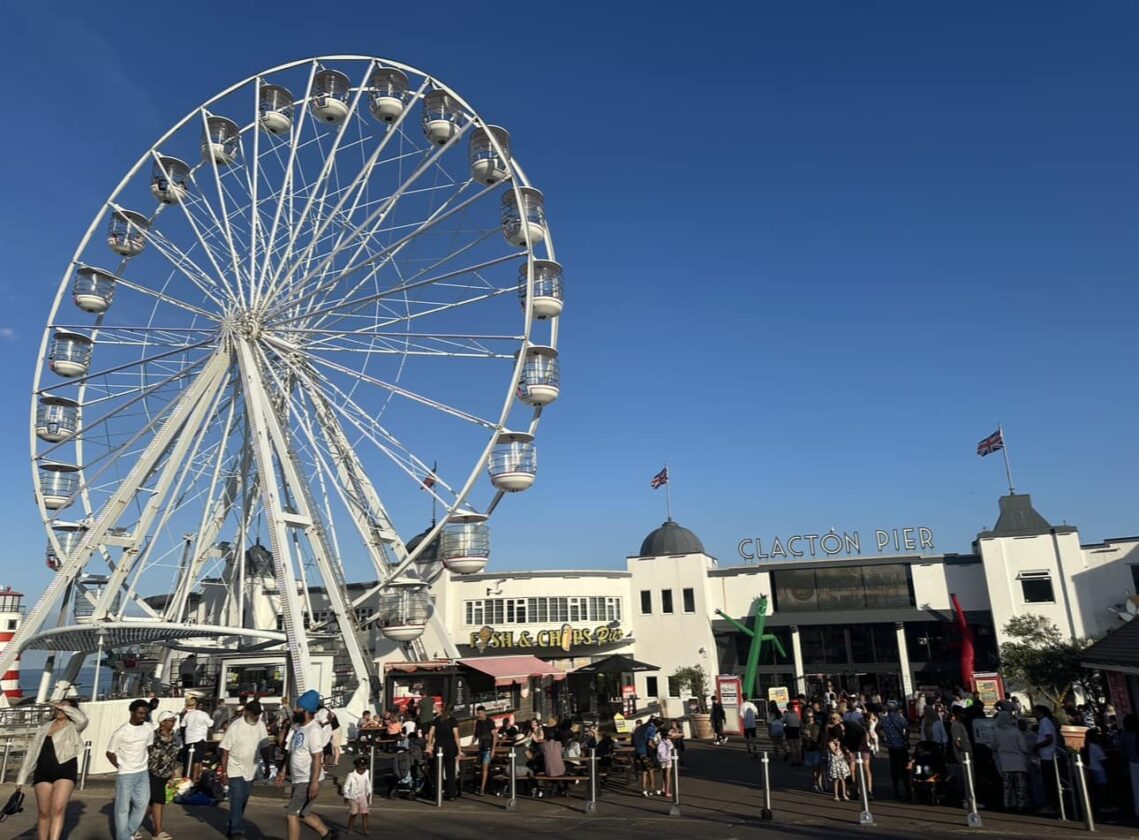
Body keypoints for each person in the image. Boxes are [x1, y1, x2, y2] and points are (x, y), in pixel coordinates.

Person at [15, 699, 88, 840]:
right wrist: (21, 778)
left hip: (65, 771)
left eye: (64, 708)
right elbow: (32, 752)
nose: (59, 710)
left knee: (58, 809)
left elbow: (82, 718)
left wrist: (63, 706)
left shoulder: (73, 726)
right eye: (58, 708)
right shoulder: (45, 727)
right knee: (43, 812)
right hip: (43, 772)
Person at [275, 690, 337, 840]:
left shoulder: (314, 730)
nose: (295, 710)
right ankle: (326, 834)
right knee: (303, 813)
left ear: (306, 710)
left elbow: (317, 756)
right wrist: (283, 771)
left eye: (298, 707)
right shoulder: (297, 728)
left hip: (307, 780)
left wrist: (314, 783)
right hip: (298, 778)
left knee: (292, 814)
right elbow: (291, 751)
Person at [219, 699, 269, 839]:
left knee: (243, 799)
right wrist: (224, 772)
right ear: (247, 712)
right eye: (254, 715)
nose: (256, 718)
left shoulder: (261, 726)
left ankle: (233, 822)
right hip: (235, 769)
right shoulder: (235, 726)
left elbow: (265, 747)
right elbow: (225, 750)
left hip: (251, 770)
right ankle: (237, 830)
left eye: (258, 715)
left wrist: (266, 765)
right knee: (236, 799)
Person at [107, 699, 155, 840]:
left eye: (145, 713)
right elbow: (110, 752)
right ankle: (123, 838)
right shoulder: (121, 732)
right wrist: (120, 765)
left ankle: (126, 834)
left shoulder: (148, 727)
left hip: (143, 772)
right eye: (140, 713)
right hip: (126, 774)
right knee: (122, 809)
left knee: (142, 804)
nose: (142, 716)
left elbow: (148, 746)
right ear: (132, 712)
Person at [145, 711, 180, 840]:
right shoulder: (153, 736)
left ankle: (132, 826)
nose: (173, 722)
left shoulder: (174, 737)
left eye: (174, 720)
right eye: (171, 720)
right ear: (163, 722)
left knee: (150, 803)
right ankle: (158, 831)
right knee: (159, 801)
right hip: (153, 772)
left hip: (165, 773)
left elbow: (174, 756)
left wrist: (173, 771)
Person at [992, 710, 1029, 812]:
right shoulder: (1015, 731)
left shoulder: (996, 731)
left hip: (1004, 761)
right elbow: (1023, 747)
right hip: (1018, 761)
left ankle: (1008, 803)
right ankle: (1021, 804)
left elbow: (993, 746)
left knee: (1007, 785)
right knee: (1020, 784)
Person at [425, 704, 460, 800]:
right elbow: (456, 735)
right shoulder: (452, 721)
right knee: (450, 771)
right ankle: (451, 794)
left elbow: (431, 732)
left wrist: (429, 744)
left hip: (439, 747)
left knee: (438, 770)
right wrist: (459, 750)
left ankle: (438, 792)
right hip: (450, 747)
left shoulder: (437, 720)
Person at [878, 700, 910, 800]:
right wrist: (905, 738)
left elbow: (877, 728)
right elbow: (907, 728)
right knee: (905, 769)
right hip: (901, 746)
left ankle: (896, 791)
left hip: (891, 747)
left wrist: (883, 738)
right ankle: (907, 791)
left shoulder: (884, 719)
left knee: (894, 769)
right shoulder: (900, 718)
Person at [1032, 704, 1059, 814]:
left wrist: (1038, 745)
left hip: (1048, 756)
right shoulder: (1045, 723)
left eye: (1036, 713)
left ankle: (1052, 806)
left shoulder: (1045, 722)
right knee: (1048, 781)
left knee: (1049, 782)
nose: (1035, 715)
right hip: (1046, 755)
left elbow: (1049, 738)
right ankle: (1052, 805)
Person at [179, 696, 212, 782]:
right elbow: (211, 724)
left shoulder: (187, 715)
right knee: (198, 760)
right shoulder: (203, 714)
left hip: (189, 740)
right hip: (200, 739)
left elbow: (182, 727)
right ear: (198, 705)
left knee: (190, 759)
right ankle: (195, 779)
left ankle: (191, 778)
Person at [343, 756, 371, 833]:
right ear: (356, 767)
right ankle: (350, 828)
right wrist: (346, 796)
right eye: (360, 768)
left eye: (363, 768)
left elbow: (367, 783)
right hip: (353, 797)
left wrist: (368, 792)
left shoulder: (366, 773)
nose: (362, 770)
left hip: (363, 796)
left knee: (365, 813)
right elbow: (346, 786)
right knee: (354, 813)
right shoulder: (351, 775)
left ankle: (365, 829)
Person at [473, 705, 497, 796]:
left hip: (488, 748)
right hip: (481, 748)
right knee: (481, 768)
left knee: (485, 768)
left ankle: (482, 788)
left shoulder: (489, 722)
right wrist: (472, 744)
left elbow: (495, 735)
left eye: (479, 713)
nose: (478, 715)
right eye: (477, 713)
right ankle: (488, 786)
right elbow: (475, 735)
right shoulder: (478, 723)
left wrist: (493, 749)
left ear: (484, 712)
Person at [801, 709, 823, 793]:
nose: (810, 718)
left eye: (811, 716)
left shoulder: (817, 725)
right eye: (808, 717)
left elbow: (821, 735)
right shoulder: (804, 726)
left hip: (818, 748)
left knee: (819, 768)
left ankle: (819, 783)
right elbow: (803, 739)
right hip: (809, 749)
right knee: (815, 768)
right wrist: (807, 736)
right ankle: (816, 784)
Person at [1123, 714, 1139, 819]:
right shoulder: (1137, 734)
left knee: (1136, 788)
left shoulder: (1124, 735)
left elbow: (1122, 749)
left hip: (1132, 762)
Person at [827, 737, 851, 801]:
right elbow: (835, 753)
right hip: (835, 763)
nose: (836, 740)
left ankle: (844, 794)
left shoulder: (840, 743)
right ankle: (836, 795)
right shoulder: (830, 743)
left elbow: (845, 751)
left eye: (837, 738)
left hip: (841, 762)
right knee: (836, 780)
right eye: (834, 738)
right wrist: (838, 746)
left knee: (843, 779)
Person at [657, 729, 676, 798]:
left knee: (663, 773)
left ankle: (663, 788)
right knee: (667, 775)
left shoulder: (660, 741)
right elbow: (672, 748)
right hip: (668, 759)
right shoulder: (668, 742)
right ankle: (667, 791)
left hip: (662, 759)